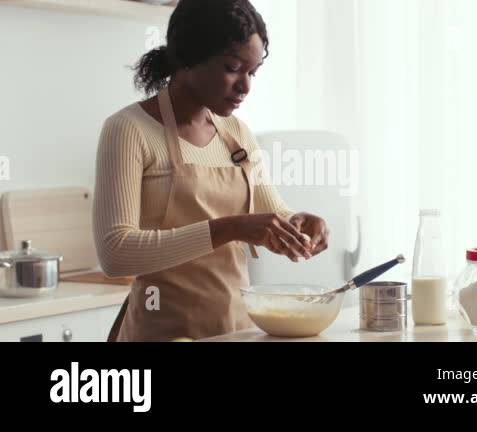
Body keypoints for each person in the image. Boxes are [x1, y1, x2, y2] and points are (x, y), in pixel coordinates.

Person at [93, 0, 329, 342]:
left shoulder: (238, 135)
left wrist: (298, 224)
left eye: (252, 72)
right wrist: (231, 227)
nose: (245, 86)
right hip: (161, 332)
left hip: (236, 332)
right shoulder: (128, 130)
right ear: (190, 56)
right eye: (233, 67)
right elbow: (116, 253)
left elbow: (271, 212)